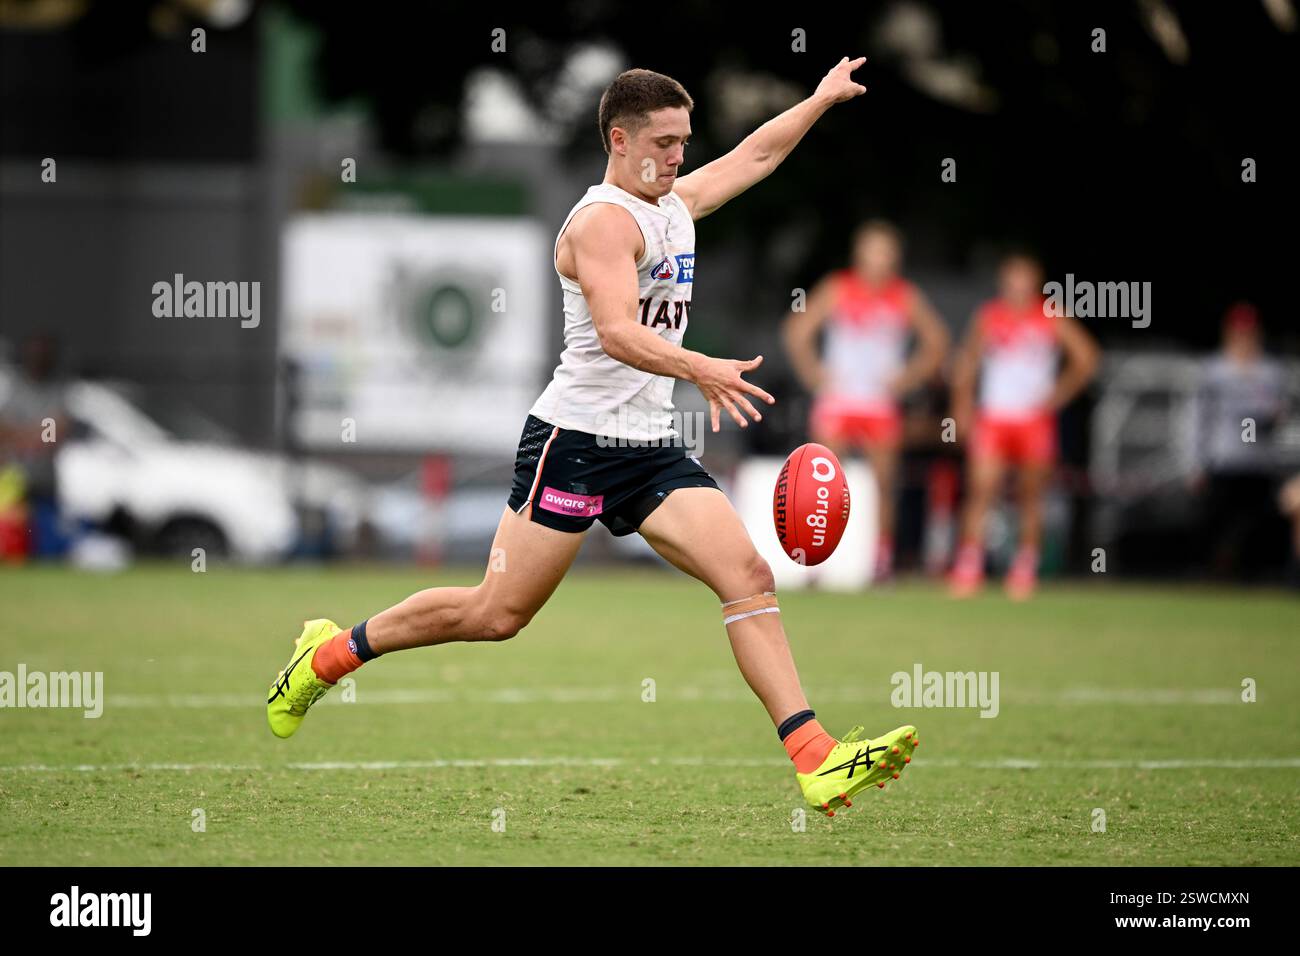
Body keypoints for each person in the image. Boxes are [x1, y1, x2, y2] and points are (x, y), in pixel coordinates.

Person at [265, 59, 919, 816]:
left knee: (747, 575)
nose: (679, 156)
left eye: (684, 141)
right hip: (573, 444)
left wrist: (819, 99)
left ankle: (815, 758)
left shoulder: (674, 204)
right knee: (495, 615)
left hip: (650, 448)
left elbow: (757, 155)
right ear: (620, 140)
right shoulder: (601, 223)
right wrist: (700, 367)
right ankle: (327, 655)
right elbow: (616, 333)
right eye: (665, 142)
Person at [782, 220, 949, 581]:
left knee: (883, 484)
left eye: (885, 252)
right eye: (873, 251)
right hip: (838, 400)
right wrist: (813, 373)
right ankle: (815, 560)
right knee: (822, 485)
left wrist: (908, 378)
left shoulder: (904, 296)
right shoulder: (838, 288)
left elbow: (937, 340)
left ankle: (881, 560)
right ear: (859, 254)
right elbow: (797, 329)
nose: (879, 259)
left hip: (878, 404)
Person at [948, 252, 1099, 599]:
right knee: (981, 490)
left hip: (1034, 421)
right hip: (994, 417)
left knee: (1031, 496)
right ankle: (969, 565)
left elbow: (1087, 357)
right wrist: (961, 407)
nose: (1017, 286)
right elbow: (967, 363)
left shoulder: (1050, 315)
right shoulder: (989, 316)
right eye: (1011, 279)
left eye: (1024, 279)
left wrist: (1058, 394)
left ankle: (1025, 567)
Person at [1191, 303, 1288, 581]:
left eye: (1248, 333)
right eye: (1238, 333)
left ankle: (1252, 579)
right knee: (1216, 523)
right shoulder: (1214, 369)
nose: (1243, 339)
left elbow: (1280, 411)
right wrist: (1196, 461)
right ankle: (1213, 576)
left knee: (1255, 525)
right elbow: (1198, 417)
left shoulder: (1271, 371)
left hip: (1258, 461)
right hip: (1223, 458)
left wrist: (1271, 414)